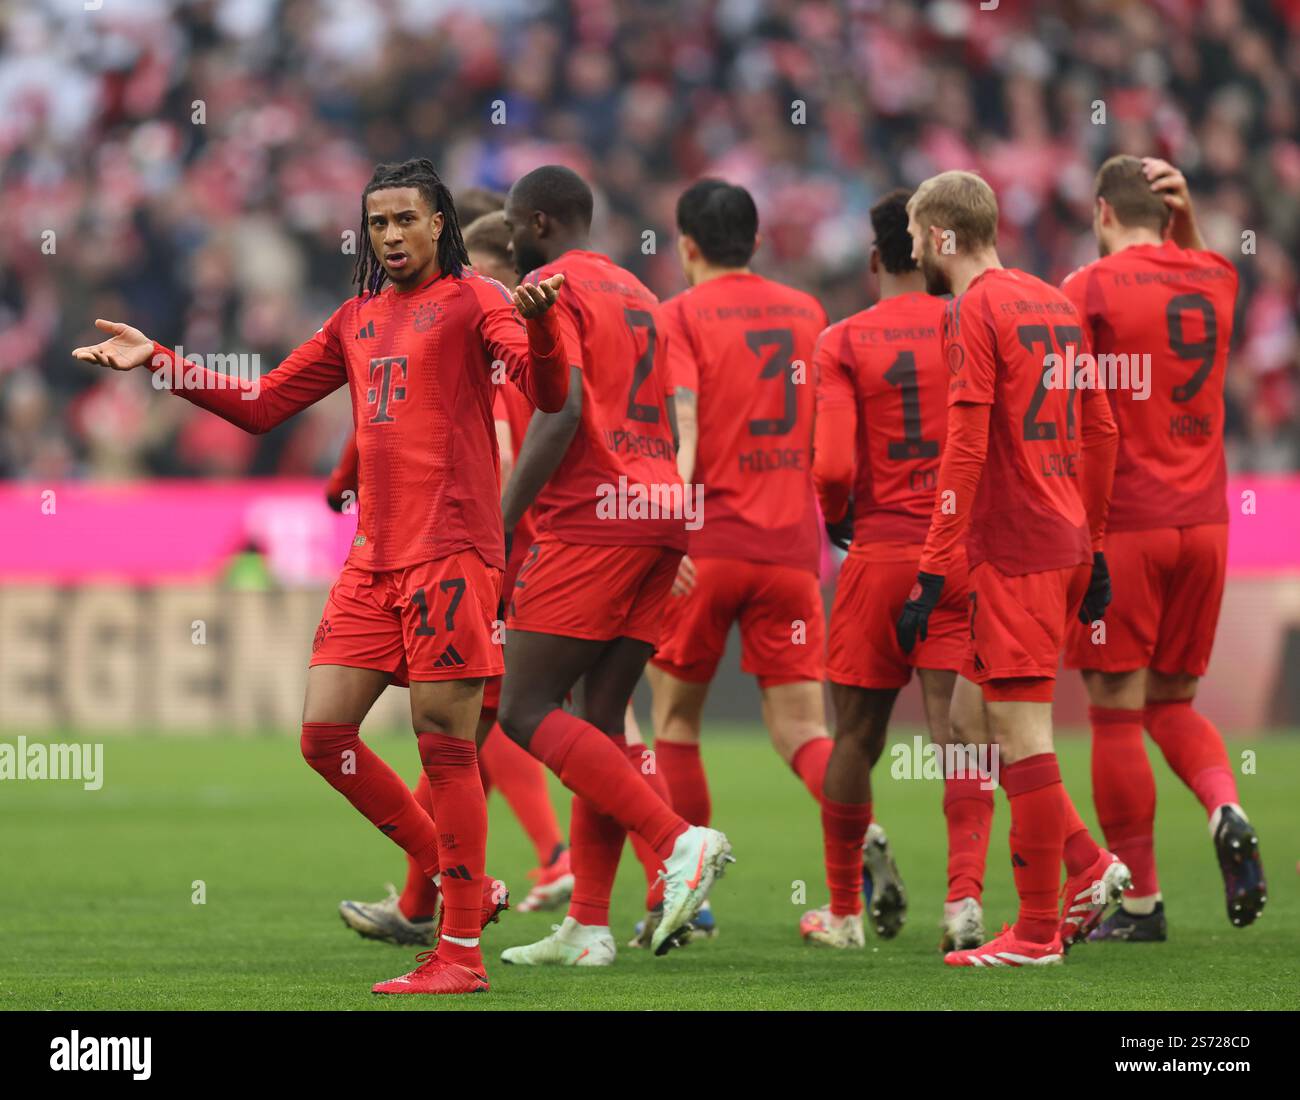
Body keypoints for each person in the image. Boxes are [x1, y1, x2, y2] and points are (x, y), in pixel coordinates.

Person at [72, 158, 570, 996]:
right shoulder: (355, 318)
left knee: (446, 749)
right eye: (377, 224)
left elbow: (548, 391)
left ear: (440, 223)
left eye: (406, 220)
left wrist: (545, 329)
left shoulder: (479, 301)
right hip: (373, 561)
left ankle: (459, 955)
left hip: (452, 556)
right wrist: (160, 360)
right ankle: (462, 885)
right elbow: (264, 404)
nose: (391, 236)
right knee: (323, 737)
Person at [494, 165, 732, 966]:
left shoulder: (553, 289)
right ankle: (589, 925)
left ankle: (676, 842)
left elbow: (557, 417)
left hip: (594, 516)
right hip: (660, 510)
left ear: (536, 223)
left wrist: (500, 524)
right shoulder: (639, 292)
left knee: (522, 709)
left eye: (511, 225)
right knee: (598, 724)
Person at [894, 170, 1127, 967]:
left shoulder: (972, 310)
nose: (915, 250)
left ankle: (1034, 934)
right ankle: (1091, 868)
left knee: (1021, 736)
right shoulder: (1053, 303)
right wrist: (1093, 543)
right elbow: (1101, 431)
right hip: (1058, 543)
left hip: (1018, 547)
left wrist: (930, 571)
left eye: (919, 236)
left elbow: (963, 446)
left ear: (943, 236)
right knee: (970, 722)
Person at [335, 208, 573, 948]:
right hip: (514, 551)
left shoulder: (478, 334)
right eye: (382, 224)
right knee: (470, 729)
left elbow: (548, 402)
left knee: (490, 726)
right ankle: (429, 898)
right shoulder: (428, 332)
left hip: (485, 555)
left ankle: (610, 852)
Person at [1062, 155, 1265, 940]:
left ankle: (1140, 904)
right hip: (1207, 521)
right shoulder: (1216, 274)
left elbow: (1069, 407)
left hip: (1129, 525)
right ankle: (1225, 806)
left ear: (1101, 213)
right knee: (1173, 703)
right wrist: (1184, 221)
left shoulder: (1089, 288)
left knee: (1114, 712)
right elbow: (1197, 261)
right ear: (1169, 211)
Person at [637, 179, 837, 948]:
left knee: (674, 722)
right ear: (755, 242)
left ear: (686, 246)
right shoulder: (807, 313)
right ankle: (855, 853)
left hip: (709, 543)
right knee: (802, 729)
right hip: (792, 547)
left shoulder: (678, 314)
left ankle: (693, 898)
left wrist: (670, 532)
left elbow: (681, 425)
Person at [806, 189, 987, 951]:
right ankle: (964, 903)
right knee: (963, 737)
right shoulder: (973, 323)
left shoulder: (843, 339)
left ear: (878, 257)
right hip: (959, 555)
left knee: (852, 737)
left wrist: (841, 515)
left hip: (879, 556)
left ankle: (844, 912)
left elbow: (834, 466)